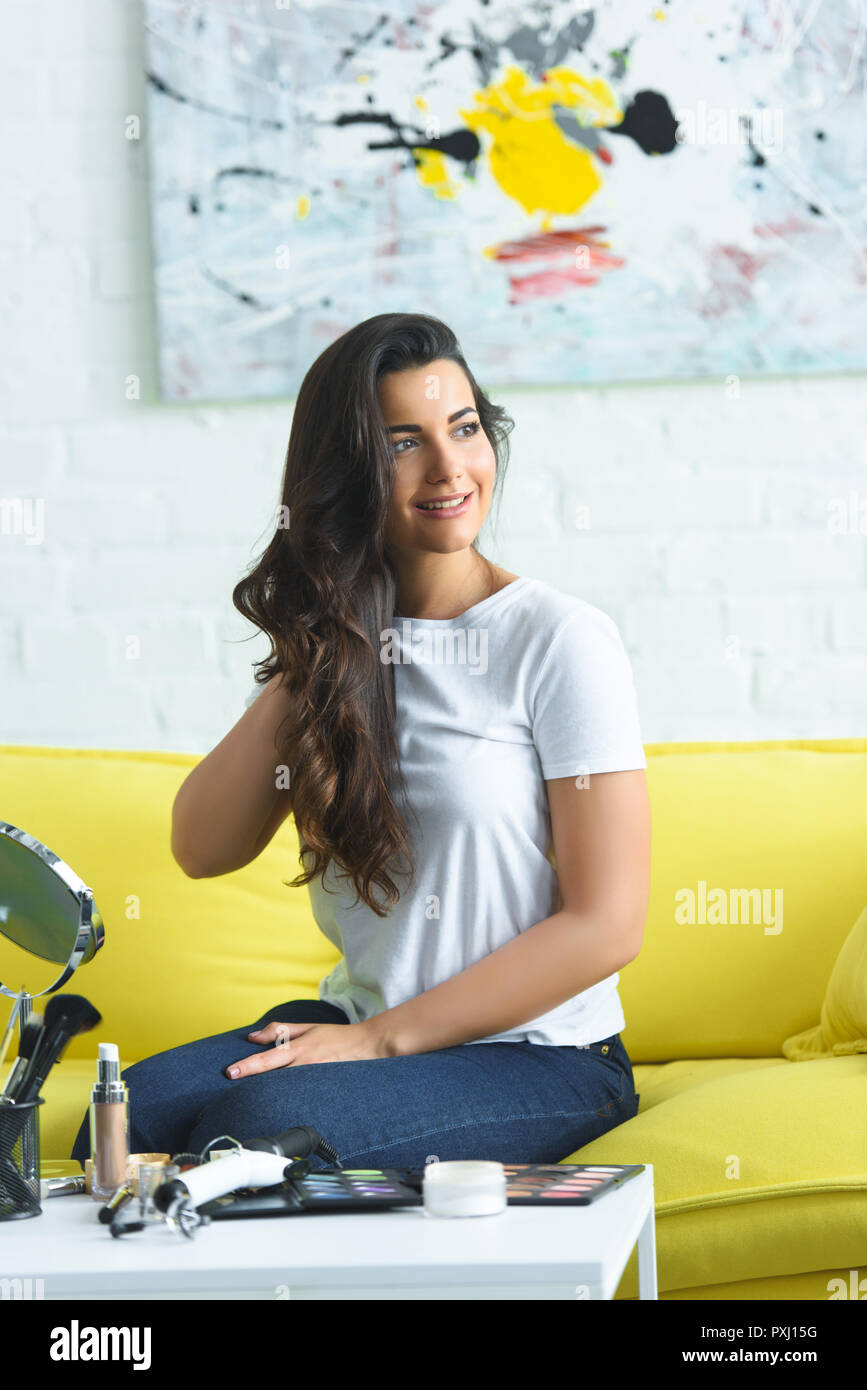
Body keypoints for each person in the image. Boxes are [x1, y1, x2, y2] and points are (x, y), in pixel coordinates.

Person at [71, 312, 650, 1172]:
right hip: (366, 1026)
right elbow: (201, 848)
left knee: (255, 1129)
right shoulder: (335, 654)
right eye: (403, 444)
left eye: (464, 429)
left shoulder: (558, 640)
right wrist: (316, 635)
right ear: (346, 474)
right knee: (122, 1121)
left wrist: (381, 1041)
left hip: (541, 1057)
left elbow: (606, 925)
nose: (450, 468)